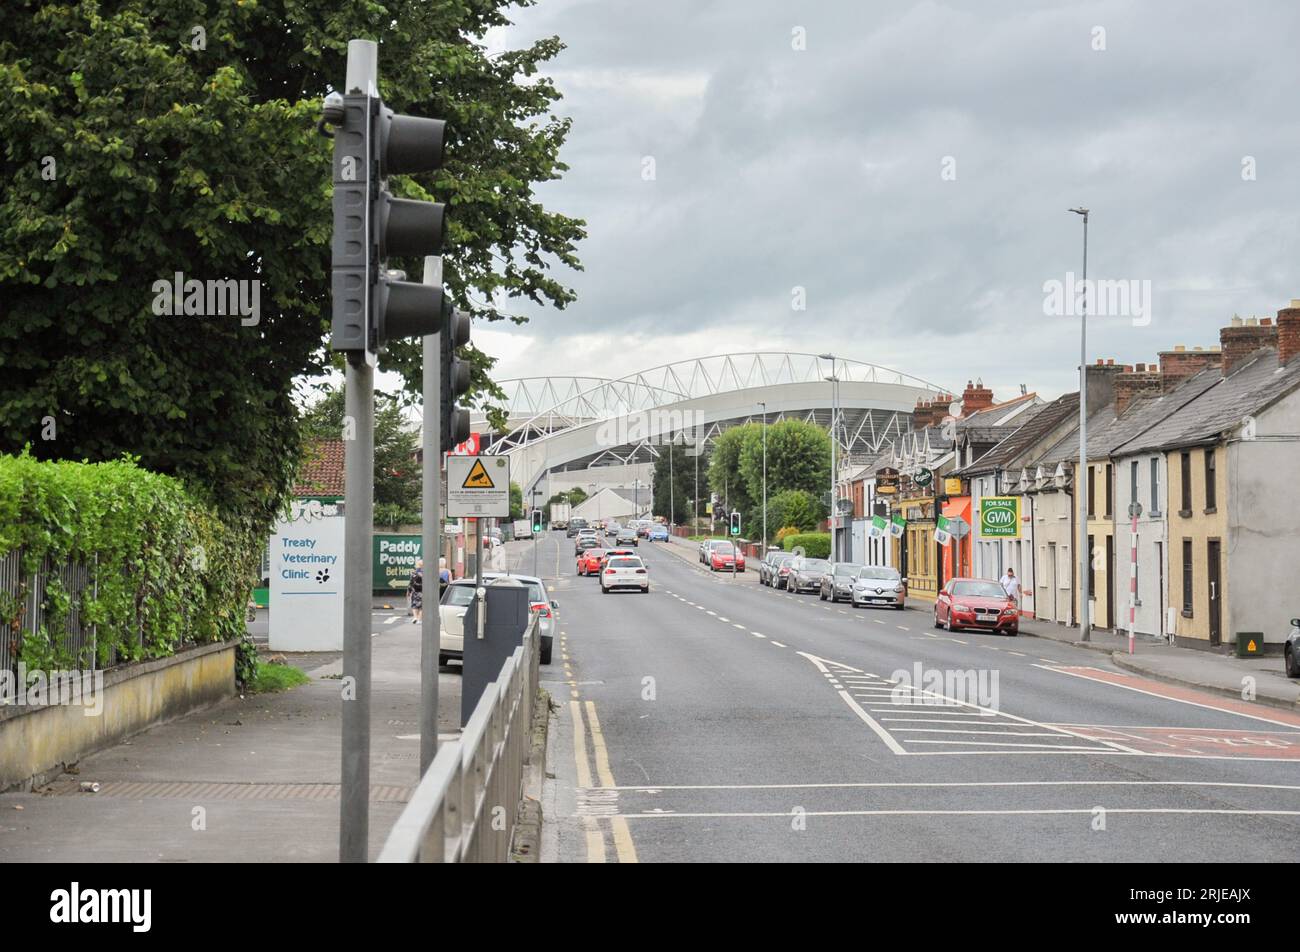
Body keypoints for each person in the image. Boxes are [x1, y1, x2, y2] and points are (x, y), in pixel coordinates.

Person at [408, 560, 424, 625]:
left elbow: (410, 583)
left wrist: (409, 591)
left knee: (414, 605)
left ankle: (415, 617)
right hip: (423, 591)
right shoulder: (425, 572)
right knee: (422, 606)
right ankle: (419, 619)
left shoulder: (413, 573)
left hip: (415, 591)